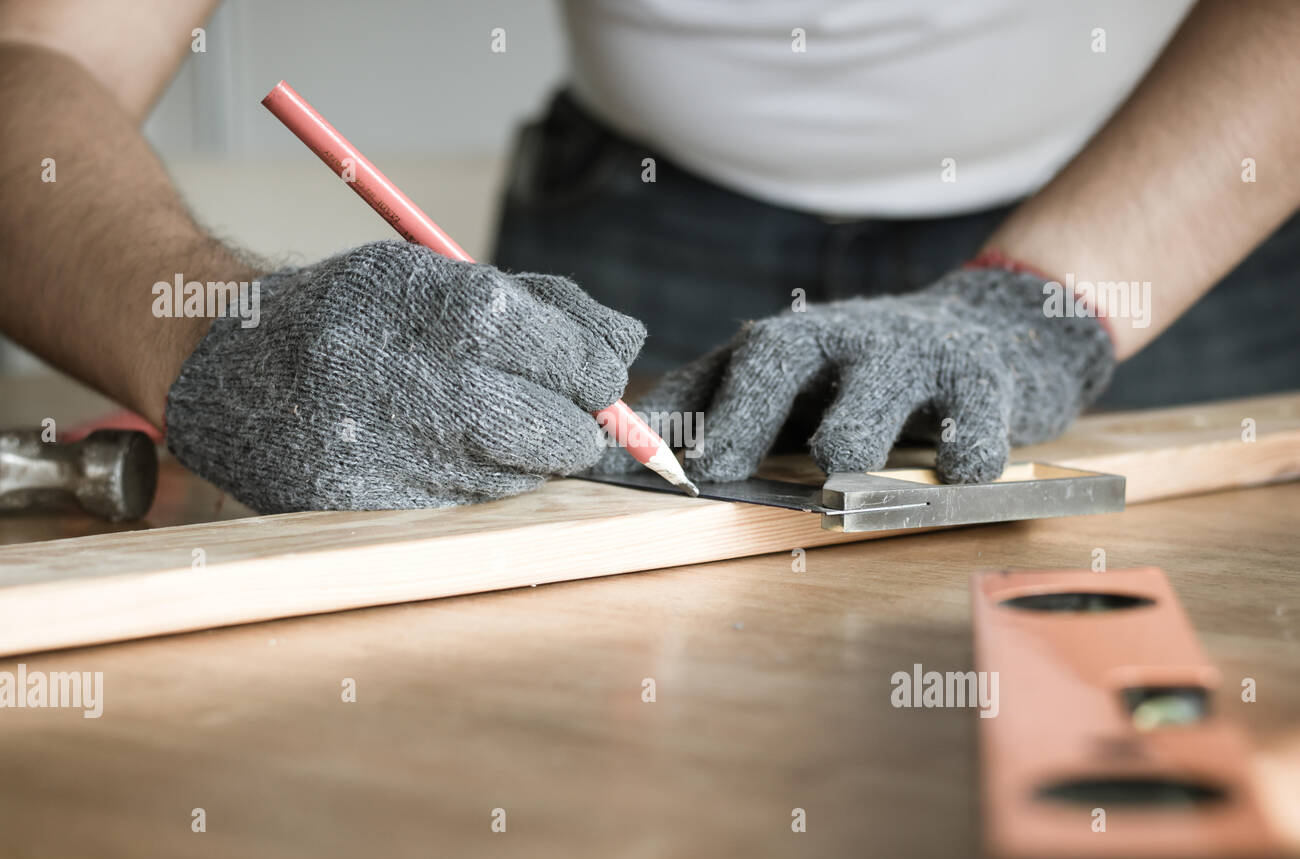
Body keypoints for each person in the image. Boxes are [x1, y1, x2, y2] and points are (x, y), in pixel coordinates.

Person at [2, 0, 1296, 514]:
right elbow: (37, 58)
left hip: (1173, 201)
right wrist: (213, 339)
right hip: (644, 216)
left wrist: (1043, 308)